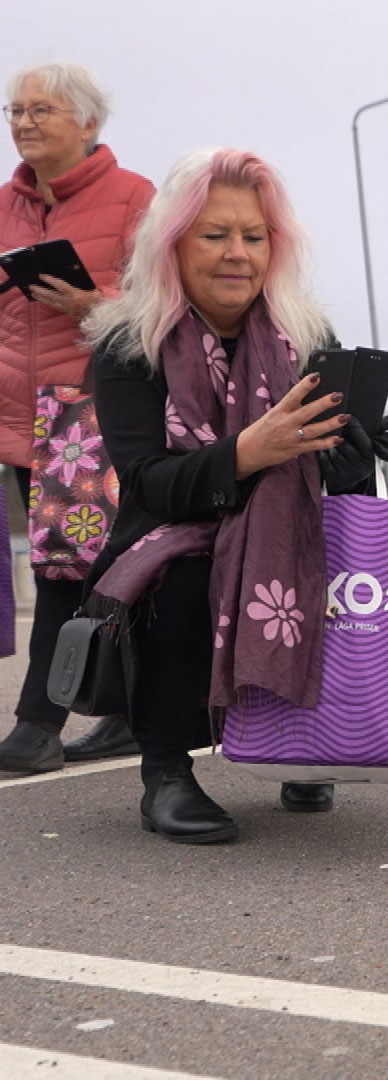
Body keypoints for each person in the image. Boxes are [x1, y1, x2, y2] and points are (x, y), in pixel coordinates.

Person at [83, 147, 388, 843]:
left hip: (283, 528)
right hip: (170, 531)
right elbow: (147, 484)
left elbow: (334, 491)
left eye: (254, 236)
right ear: (173, 243)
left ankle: (308, 744)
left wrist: (352, 461)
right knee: (182, 577)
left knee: (305, 558)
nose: (237, 253)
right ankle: (166, 771)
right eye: (215, 235)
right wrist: (248, 453)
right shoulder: (127, 347)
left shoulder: (306, 337)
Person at [0, 63, 153, 772]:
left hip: (91, 417)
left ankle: (37, 726)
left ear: (88, 123)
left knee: (68, 571)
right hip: (17, 422)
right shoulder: (4, 204)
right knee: (92, 570)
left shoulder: (135, 199)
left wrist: (94, 306)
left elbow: (161, 301)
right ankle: (124, 712)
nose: (24, 122)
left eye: (41, 110)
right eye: (15, 110)